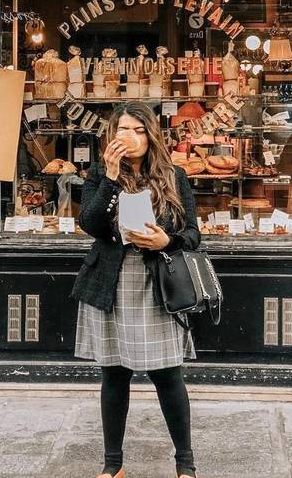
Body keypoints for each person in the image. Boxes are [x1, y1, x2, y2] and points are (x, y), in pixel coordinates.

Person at [72, 101, 201, 478]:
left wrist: (167, 241)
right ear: (112, 137)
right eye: (122, 129)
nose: (130, 137)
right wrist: (111, 178)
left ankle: (186, 466)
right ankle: (113, 466)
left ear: (151, 135)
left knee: (168, 375)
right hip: (111, 284)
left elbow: (193, 235)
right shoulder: (100, 173)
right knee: (113, 374)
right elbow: (90, 224)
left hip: (157, 284)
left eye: (138, 130)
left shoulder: (174, 175)